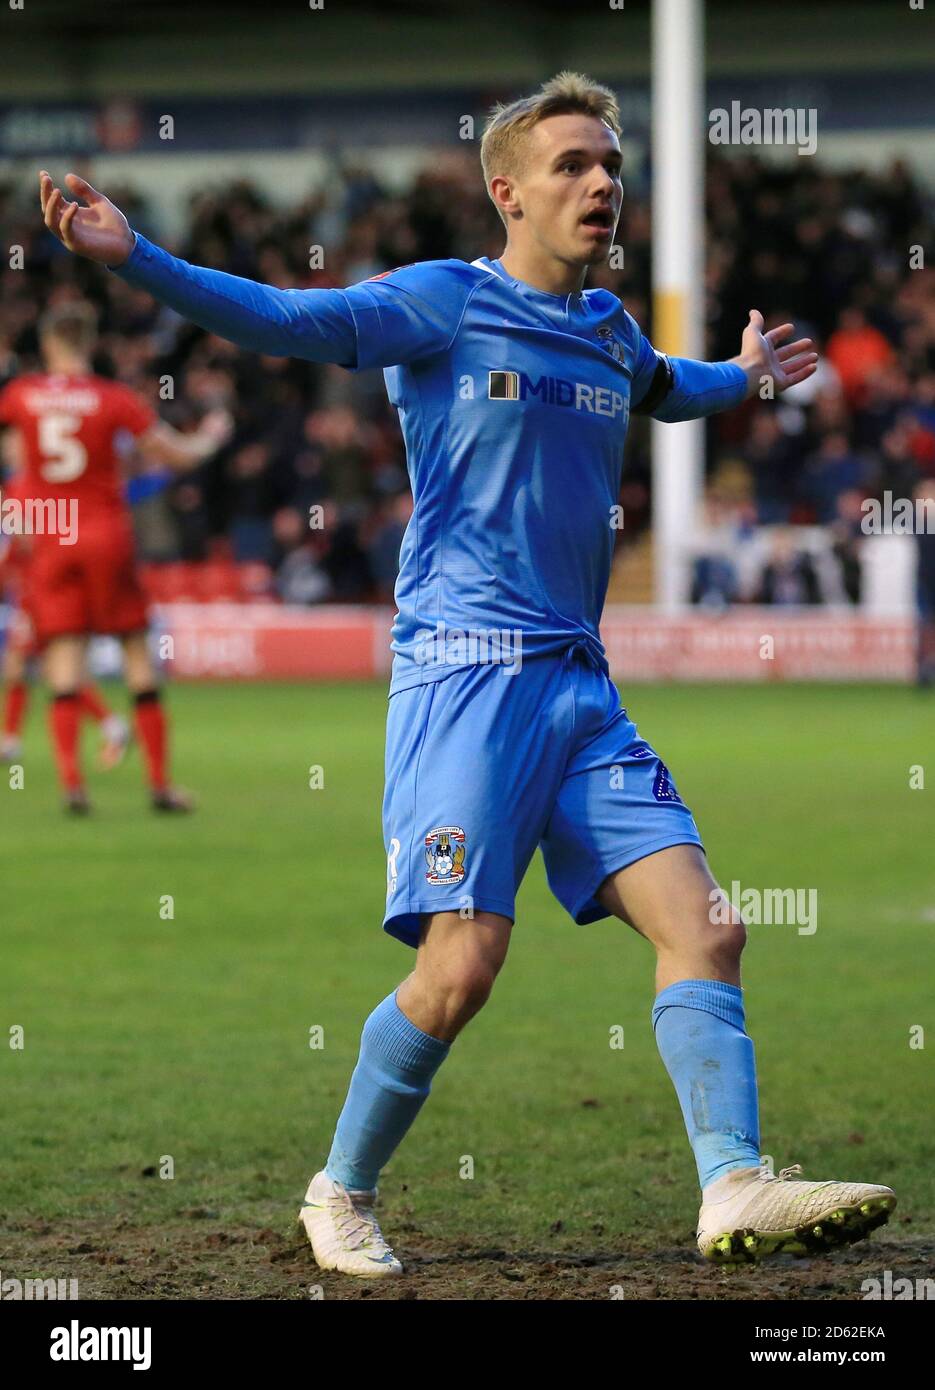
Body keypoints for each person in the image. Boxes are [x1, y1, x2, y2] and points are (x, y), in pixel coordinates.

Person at [38, 71, 895, 1273]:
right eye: (571, 166)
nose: (601, 182)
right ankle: (338, 1190)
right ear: (507, 192)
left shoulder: (607, 330)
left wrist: (744, 379)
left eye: (609, 163)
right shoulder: (441, 304)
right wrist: (137, 258)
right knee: (461, 968)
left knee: (705, 927)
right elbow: (288, 318)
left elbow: (666, 388)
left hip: (578, 684)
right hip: (464, 681)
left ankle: (732, 1184)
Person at [0, 302, 230, 812]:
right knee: (134, 653)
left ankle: (73, 787)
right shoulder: (112, 398)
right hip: (105, 533)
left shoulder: (21, 395)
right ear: (90, 343)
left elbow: (14, 454)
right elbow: (172, 453)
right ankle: (160, 786)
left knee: (63, 657)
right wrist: (209, 441)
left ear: (47, 346)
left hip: (48, 533)